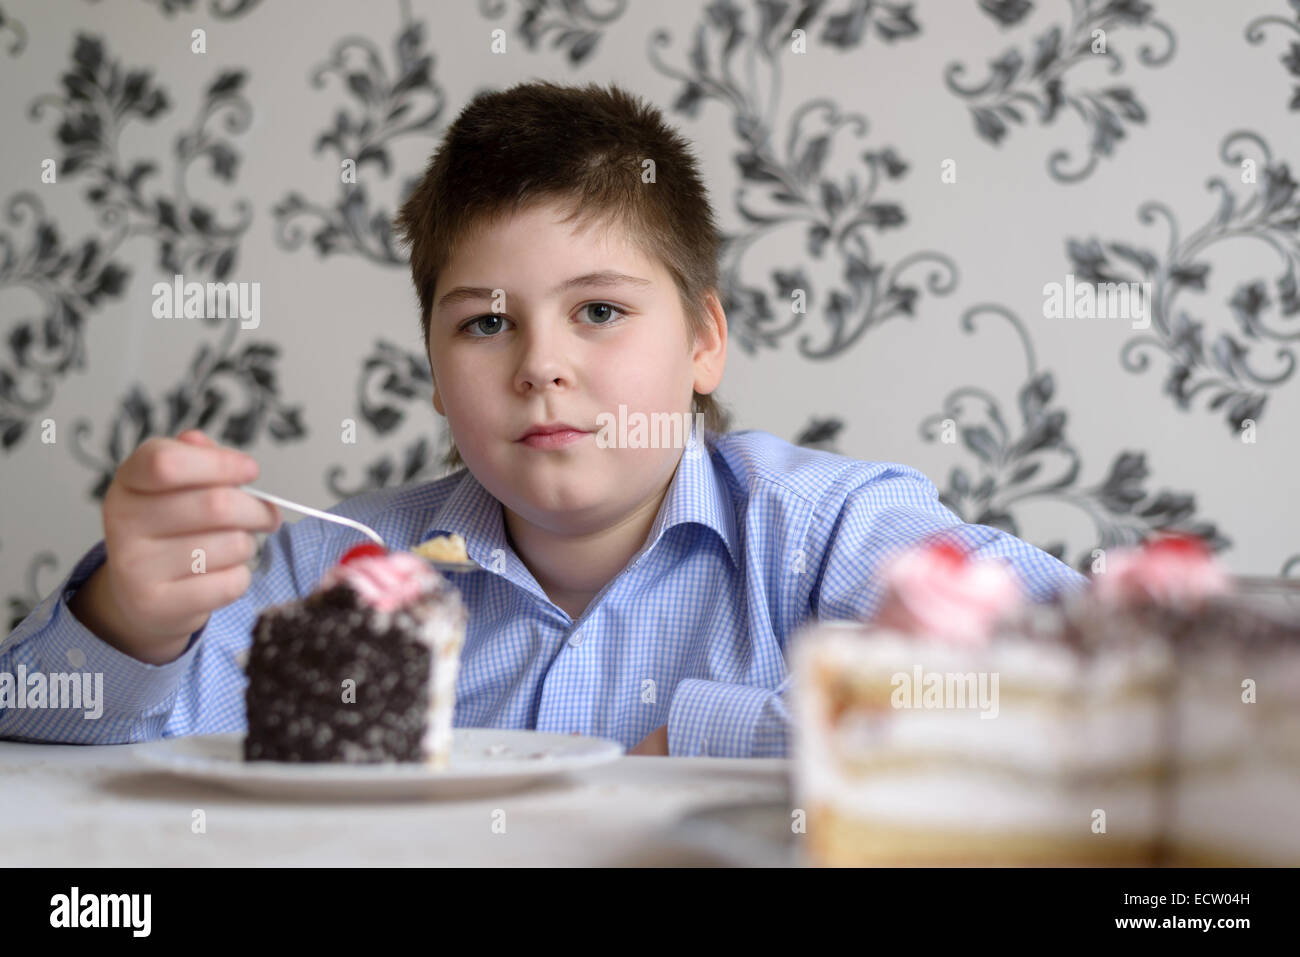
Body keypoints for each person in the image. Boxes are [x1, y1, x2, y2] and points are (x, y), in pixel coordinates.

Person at [1, 81, 1086, 756]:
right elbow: (51, 747)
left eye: (600, 311)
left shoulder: (830, 533)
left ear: (704, 340)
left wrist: (713, 736)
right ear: (432, 367)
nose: (541, 367)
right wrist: (126, 622)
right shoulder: (338, 570)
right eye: (484, 325)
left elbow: (1087, 683)